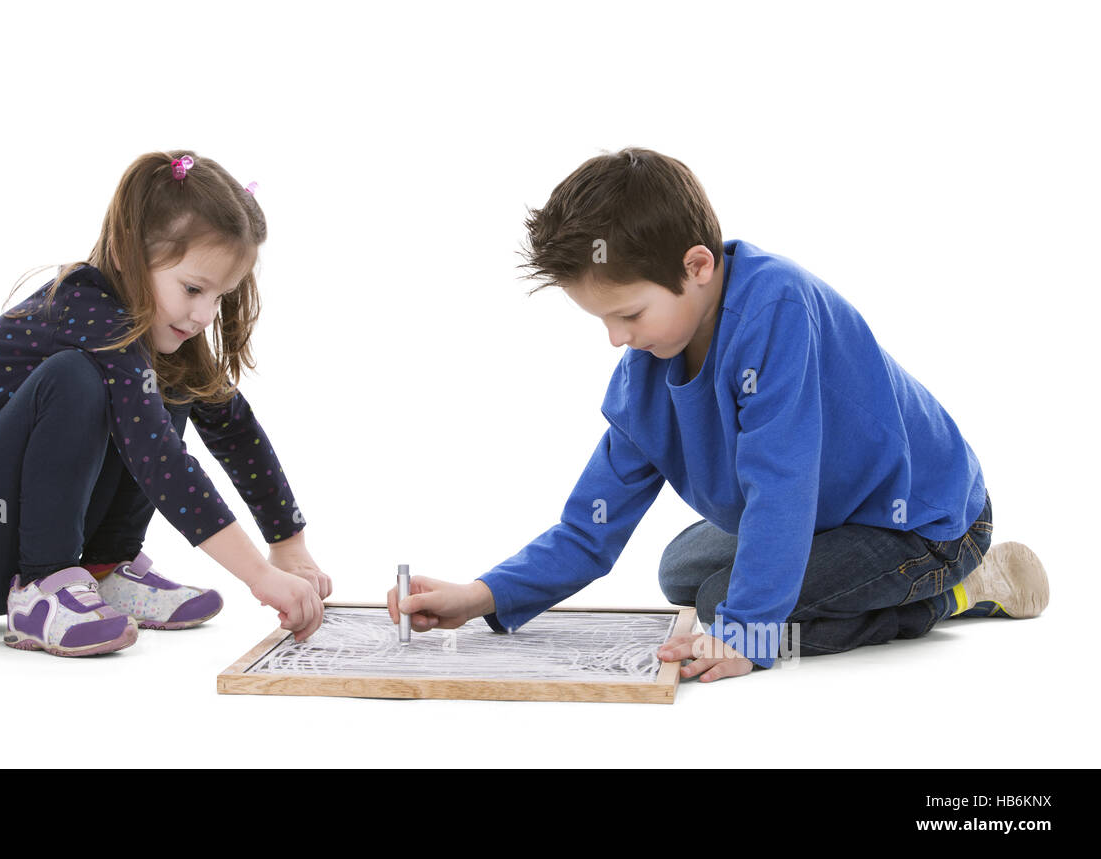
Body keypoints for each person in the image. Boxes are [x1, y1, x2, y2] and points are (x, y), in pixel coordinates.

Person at [388, 147, 1048, 683]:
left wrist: (748, 635)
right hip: (829, 509)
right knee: (681, 571)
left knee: (723, 606)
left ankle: (951, 590)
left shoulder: (777, 309)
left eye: (629, 315)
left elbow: (781, 487)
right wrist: (482, 596)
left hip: (925, 522)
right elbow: (589, 527)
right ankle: (816, 595)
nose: (617, 340)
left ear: (697, 265)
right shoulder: (647, 372)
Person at [0, 150, 329, 656]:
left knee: (174, 379)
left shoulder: (157, 330)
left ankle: (102, 569)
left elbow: (235, 429)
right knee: (75, 377)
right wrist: (260, 577)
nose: (204, 314)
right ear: (125, 251)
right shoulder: (90, 309)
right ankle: (41, 589)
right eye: (194, 288)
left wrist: (288, 546)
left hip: (16, 527)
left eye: (219, 296)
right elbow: (163, 463)